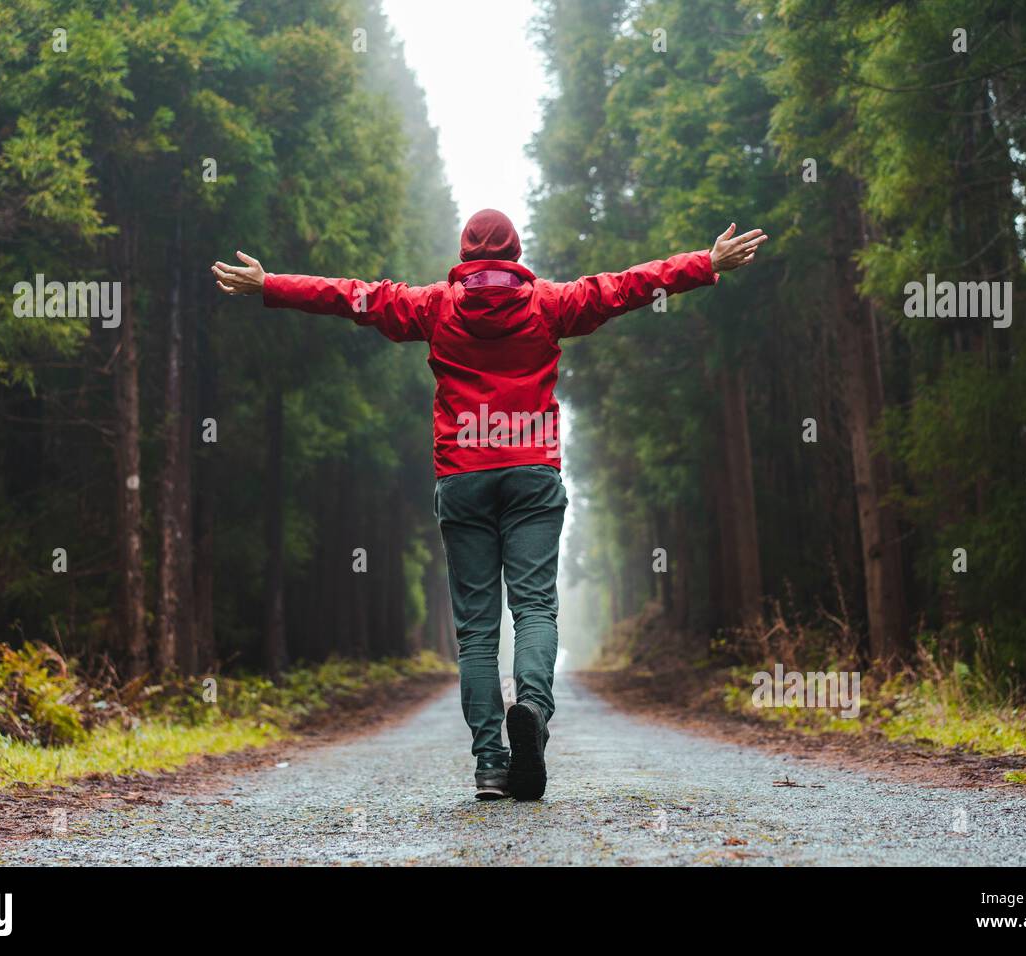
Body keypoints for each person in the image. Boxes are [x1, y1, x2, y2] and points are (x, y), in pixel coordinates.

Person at [212, 209, 766, 801]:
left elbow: (353, 296)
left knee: (476, 631)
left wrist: (270, 284)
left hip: (464, 477)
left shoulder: (432, 306)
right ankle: (530, 707)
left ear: (465, 252)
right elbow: (630, 285)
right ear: (515, 251)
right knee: (533, 611)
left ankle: (490, 765)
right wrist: (704, 264)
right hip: (530, 474)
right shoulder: (550, 303)